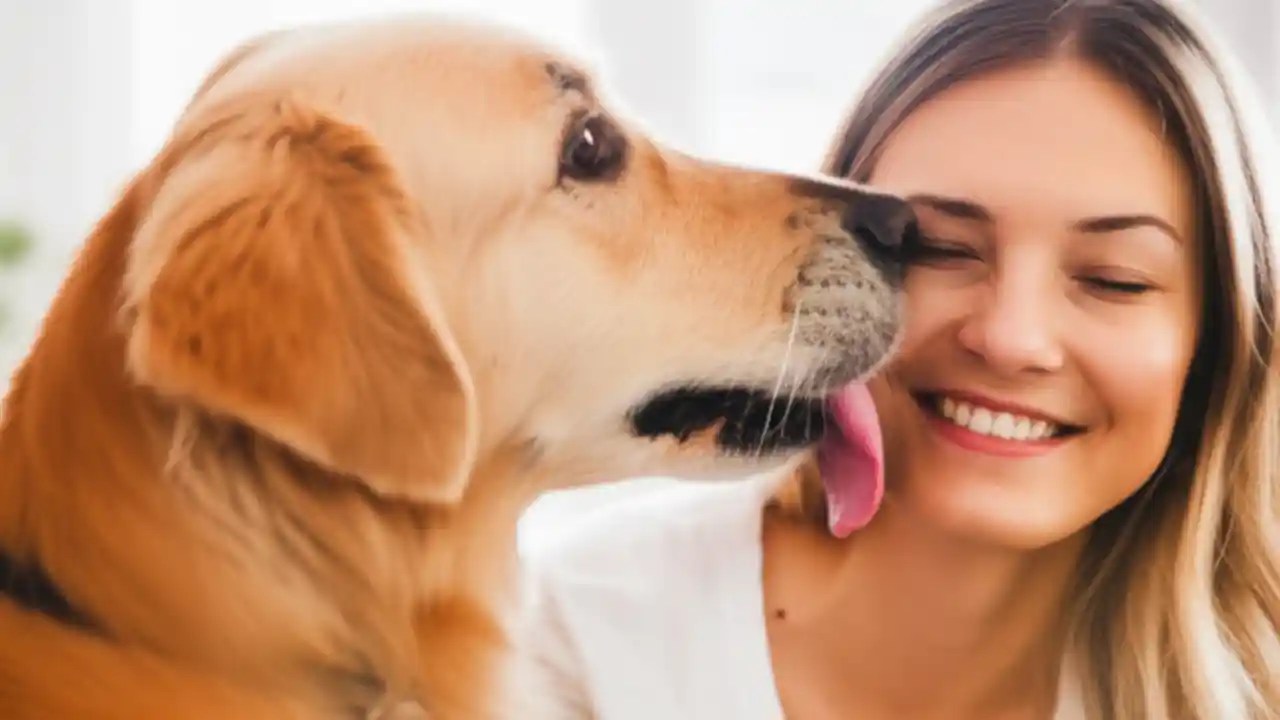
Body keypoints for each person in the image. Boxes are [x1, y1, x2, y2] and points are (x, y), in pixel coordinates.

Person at [516, 0, 1280, 718]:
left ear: (1218, 345)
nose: (1011, 338)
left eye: (1114, 280)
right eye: (940, 248)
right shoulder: (566, 644)